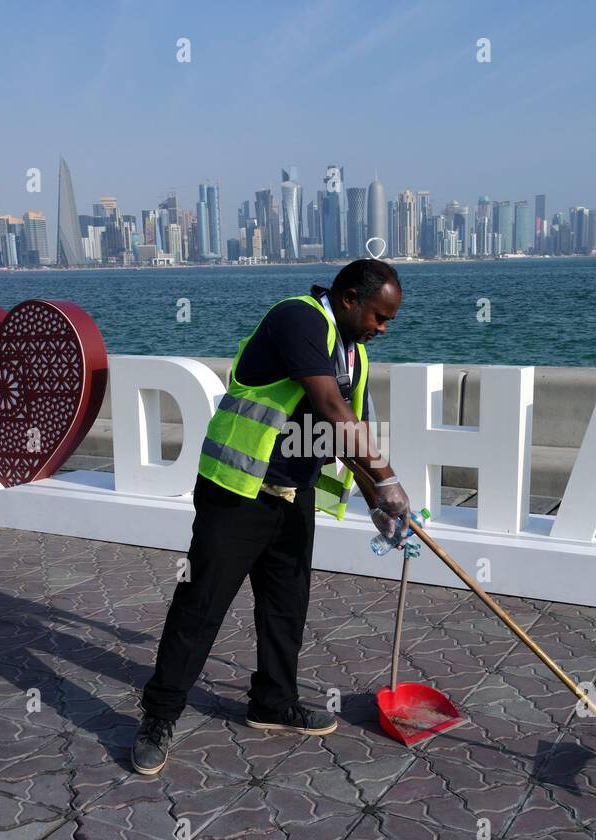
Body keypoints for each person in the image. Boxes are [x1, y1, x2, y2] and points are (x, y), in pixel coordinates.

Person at [132, 259, 410, 775]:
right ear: (349, 297)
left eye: (388, 320)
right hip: (238, 490)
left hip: (292, 492)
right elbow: (330, 406)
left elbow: (342, 433)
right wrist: (390, 480)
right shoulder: (298, 318)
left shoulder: (353, 350)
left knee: (287, 603)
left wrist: (376, 499)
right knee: (202, 605)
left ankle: (272, 702)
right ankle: (158, 716)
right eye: (379, 315)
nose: (382, 328)